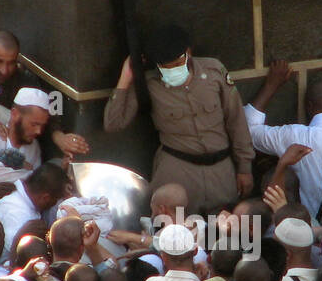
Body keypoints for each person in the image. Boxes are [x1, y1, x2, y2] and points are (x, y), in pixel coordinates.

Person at [104, 25, 253, 214]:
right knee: (174, 234)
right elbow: (113, 123)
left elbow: (236, 121)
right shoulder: (150, 84)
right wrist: (126, 78)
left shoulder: (214, 70)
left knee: (225, 232)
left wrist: (245, 167)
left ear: (188, 52)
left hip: (221, 171)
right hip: (177, 171)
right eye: (165, 66)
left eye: (176, 63)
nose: (171, 70)